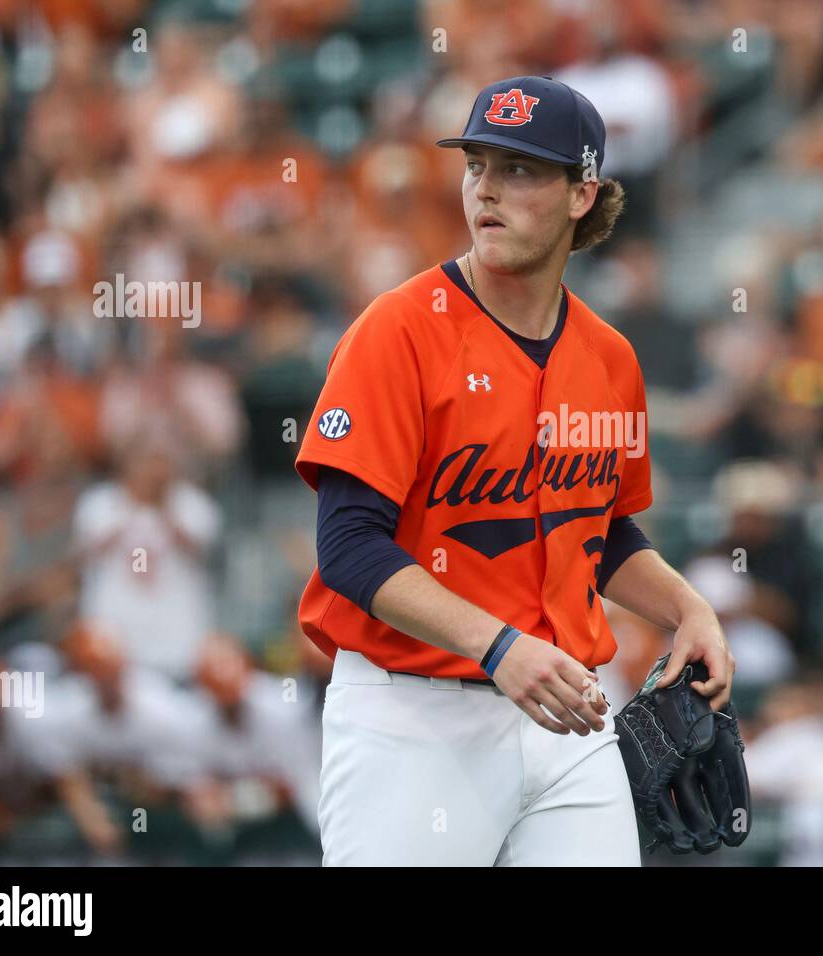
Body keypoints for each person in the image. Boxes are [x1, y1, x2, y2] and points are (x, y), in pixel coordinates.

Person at [294, 76, 734, 866]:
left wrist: (684, 606)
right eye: (477, 165)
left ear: (581, 194)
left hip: (568, 716)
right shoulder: (397, 332)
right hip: (414, 719)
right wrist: (499, 646)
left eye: (521, 170)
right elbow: (351, 547)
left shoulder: (608, 357)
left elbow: (597, 529)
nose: (487, 190)